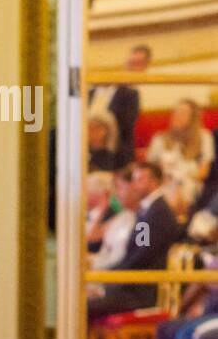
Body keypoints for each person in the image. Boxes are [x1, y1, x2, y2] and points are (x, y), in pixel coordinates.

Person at [87, 161, 182, 320]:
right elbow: (138, 249)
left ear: (154, 182)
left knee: (84, 306)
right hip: (130, 284)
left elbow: (142, 256)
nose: (135, 185)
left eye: (140, 180)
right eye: (135, 180)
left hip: (140, 291)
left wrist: (110, 280)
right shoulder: (147, 211)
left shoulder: (158, 212)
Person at [147, 99, 215, 216]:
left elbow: (203, 172)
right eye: (176, 112)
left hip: (189, 184)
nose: (177, 116)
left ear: (193, 118)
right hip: (162, 182)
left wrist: (181, 177)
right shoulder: (160, 139)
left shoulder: (204, 137)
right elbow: (150, 168)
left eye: (183, 113)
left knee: (181, 189)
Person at [89, 44, 148, 168]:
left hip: (117, 155)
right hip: (86, 151)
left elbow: (127, 124)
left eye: (137, 63)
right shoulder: (88, 93)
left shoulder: (130, 94)